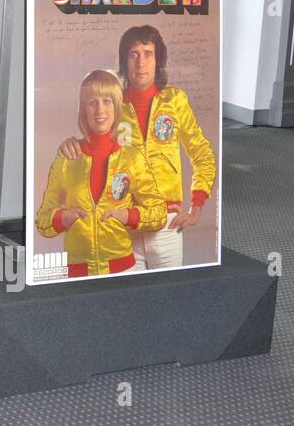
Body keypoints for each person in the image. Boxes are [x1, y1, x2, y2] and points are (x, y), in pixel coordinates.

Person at [55, 26, 216, 269]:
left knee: (166, 294)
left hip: (166, 222)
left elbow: (201, 153)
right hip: (121, 223)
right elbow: (92, 150)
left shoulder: (175, 101)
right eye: (133, 54)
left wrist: (196, 205)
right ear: (124, 62)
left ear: (158, 60)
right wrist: (70, 144)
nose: (141, 63)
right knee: (126, 296)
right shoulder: (113, 104)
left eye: (148, 54)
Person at [36, 70, 167, 278]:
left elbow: (159, 213)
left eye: (107, 101)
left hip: (123, 269)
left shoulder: (131, 157)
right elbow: (42, 220)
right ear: (83, 110)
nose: (100, 110)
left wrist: (128, 216)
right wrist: (62, 218)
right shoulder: (67, 157)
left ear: (116, 107)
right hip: (75, 272)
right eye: (92, 102)